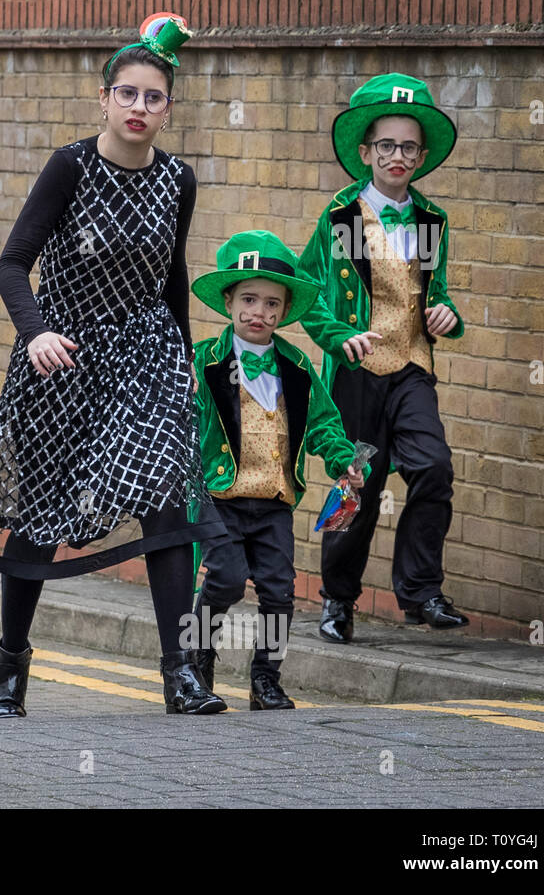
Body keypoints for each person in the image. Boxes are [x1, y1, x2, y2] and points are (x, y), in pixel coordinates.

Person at [0, 14, 228, 717]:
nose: (139, 108)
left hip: (146, 359)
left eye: (153, 97)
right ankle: (9, 665)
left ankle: (179, 675)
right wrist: (37, 332)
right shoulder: (69, 167)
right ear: (103, 99)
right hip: (62, 358)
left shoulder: (178, 181)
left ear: (169, 107)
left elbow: (172, 275)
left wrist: (186, 356)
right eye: (127, 95)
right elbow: (13, 265)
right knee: (40, 514)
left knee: (167, 504)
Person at [295, 73, 468, 643]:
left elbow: (431, 291)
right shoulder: (342, 218)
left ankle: (421, 593)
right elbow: (307, 291)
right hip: (357, 372)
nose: (398, 156)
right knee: (355, 484)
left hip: (412, 366)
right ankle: (337, 601)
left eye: (409, 147)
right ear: (365, 152)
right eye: (387, 146)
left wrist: (447, 314)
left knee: (434, 467)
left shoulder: (429, 220)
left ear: (422, 156)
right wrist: (336, 334)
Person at [188, 231, 369, 710]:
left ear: (284, 310)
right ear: (228, 301)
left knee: (279, 592)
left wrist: (343, 459)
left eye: (272, 303)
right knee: (223, 579)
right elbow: (183, 426)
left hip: (273, 502)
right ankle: (198, 661)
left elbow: (324, 424)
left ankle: (265, 679)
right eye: (248, 299)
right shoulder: (202, 362)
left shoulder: (298, 366)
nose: (259, 313)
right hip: (219, 498)